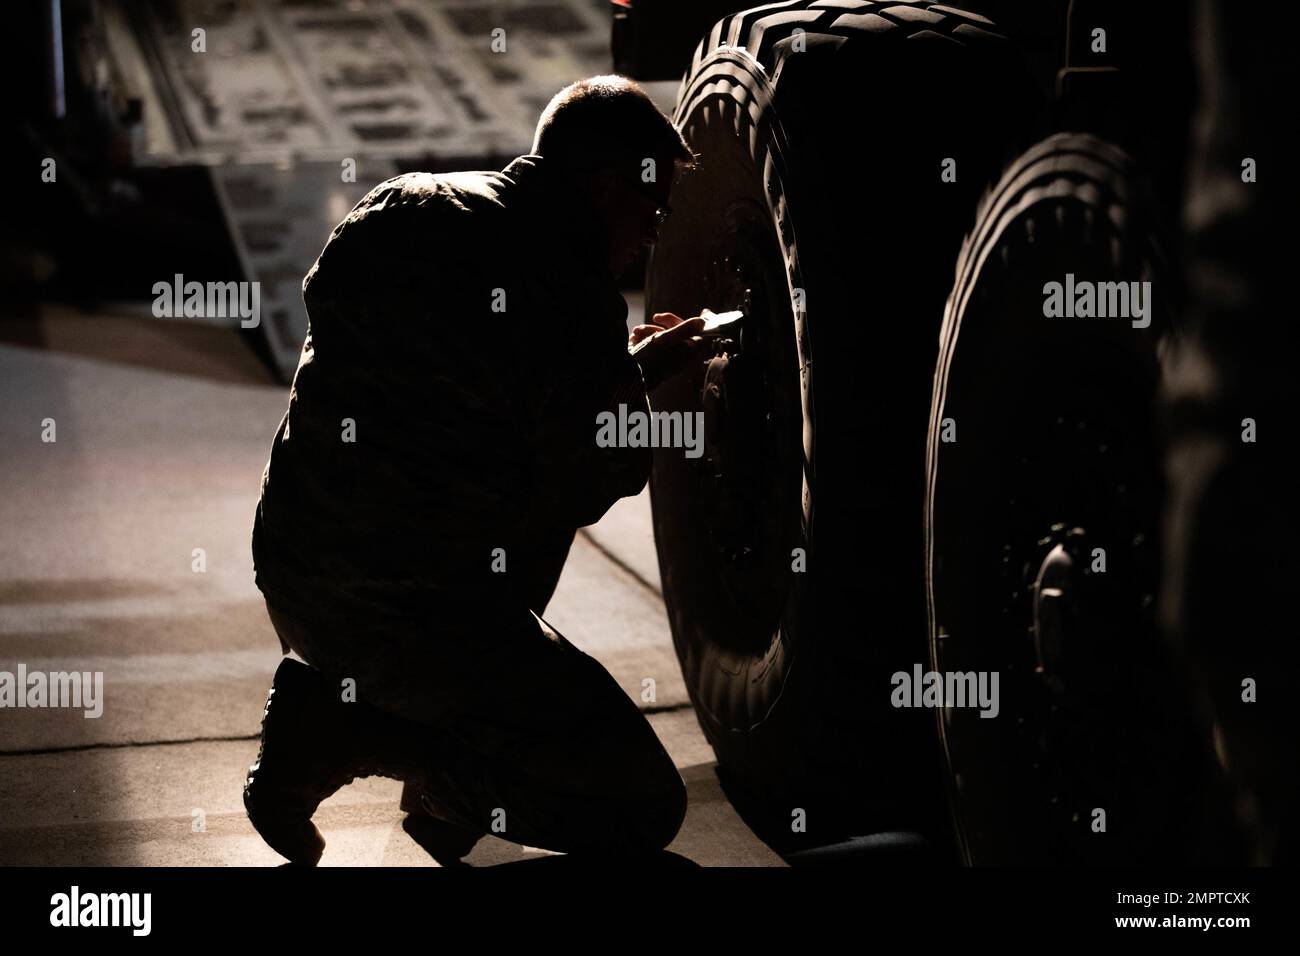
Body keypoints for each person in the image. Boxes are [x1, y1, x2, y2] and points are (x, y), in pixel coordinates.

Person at [244, 75, 709, 864]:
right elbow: (602, 474)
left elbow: (451, 389)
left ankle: (391, 742)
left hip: (295, 569)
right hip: (415, 617)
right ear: (602, 188)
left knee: (491, 493)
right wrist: (634, 380)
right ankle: (372, 744)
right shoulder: (573, 292)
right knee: (641, 807)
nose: (655, 235)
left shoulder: (403, 203)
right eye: (652, 208)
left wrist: (606, 367)